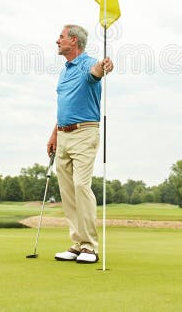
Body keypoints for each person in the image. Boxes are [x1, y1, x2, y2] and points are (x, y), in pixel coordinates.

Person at [46, 24, 114, 264]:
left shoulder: (88, 63)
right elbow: (65, 105)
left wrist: (104, 67)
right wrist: (54, 134)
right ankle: (77, 244)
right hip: (63, 134)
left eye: (61, 37)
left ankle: (90, 247)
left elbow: (96, 72)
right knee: (67, 191)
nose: (57, 40)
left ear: (73, 41)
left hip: (85, 133)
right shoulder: (64, 71)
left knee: (81, 186)